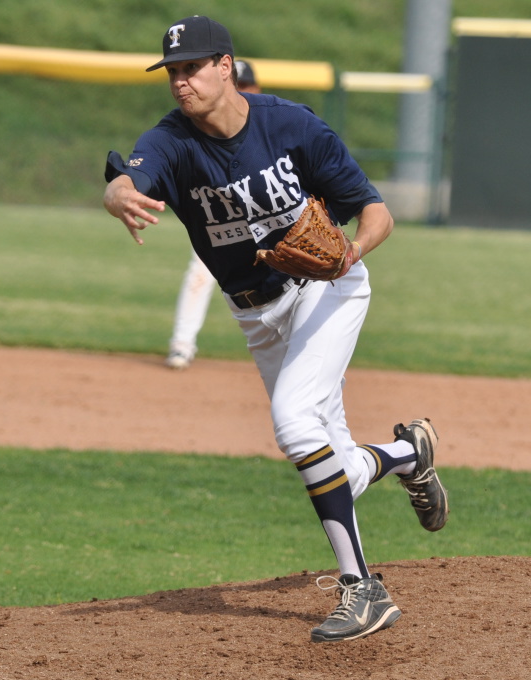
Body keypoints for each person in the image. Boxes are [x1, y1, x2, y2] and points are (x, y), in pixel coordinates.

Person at [102, 15, 448, 643]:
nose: (180, 82)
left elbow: (376, 212)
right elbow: (132, 175)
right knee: (333, 457)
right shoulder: (172, 140)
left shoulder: (292, 126)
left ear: (224, 66)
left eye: (192, 68)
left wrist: (351, 253)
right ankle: (405, 453)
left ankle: (362, 589)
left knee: (292, 421)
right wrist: (117, 194)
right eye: (172, 72)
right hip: (254, 311)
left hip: (327, 288)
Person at [166, 58, 261, 370]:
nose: (240, 89)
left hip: (267, 218)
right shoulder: (202, 128)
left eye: (245, 85)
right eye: (237, 83)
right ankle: (182, 343)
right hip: (221, 217)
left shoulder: (267, 125)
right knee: (199, 273)